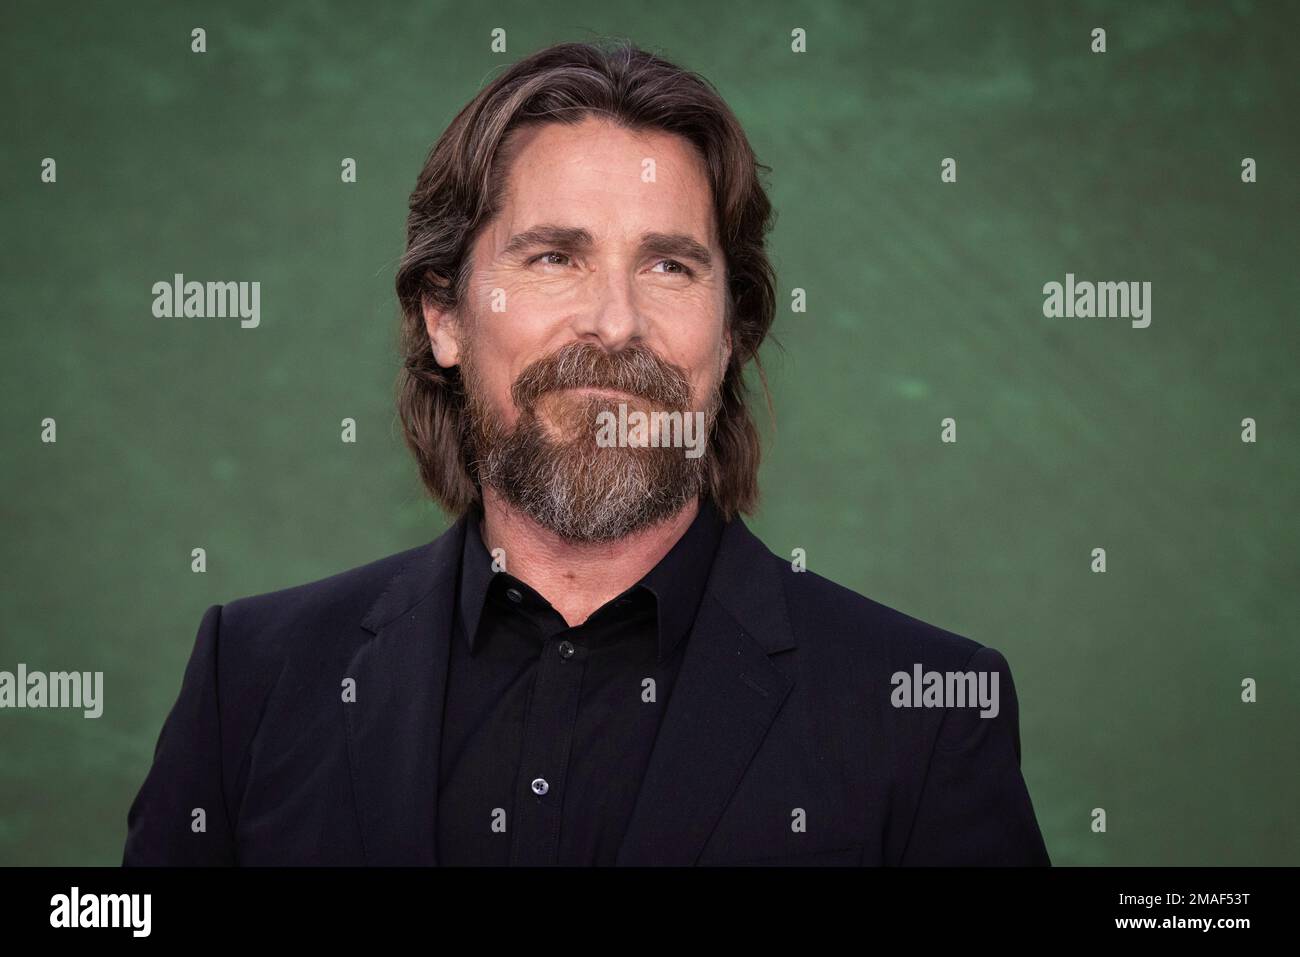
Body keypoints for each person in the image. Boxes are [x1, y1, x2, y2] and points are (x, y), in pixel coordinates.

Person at [123, 39, 1050, 866]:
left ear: (731, 334)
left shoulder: (922, 713)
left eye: (669, 265)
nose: (615, 322)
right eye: (554, 257)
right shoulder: (251, 682)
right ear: (444, 316)